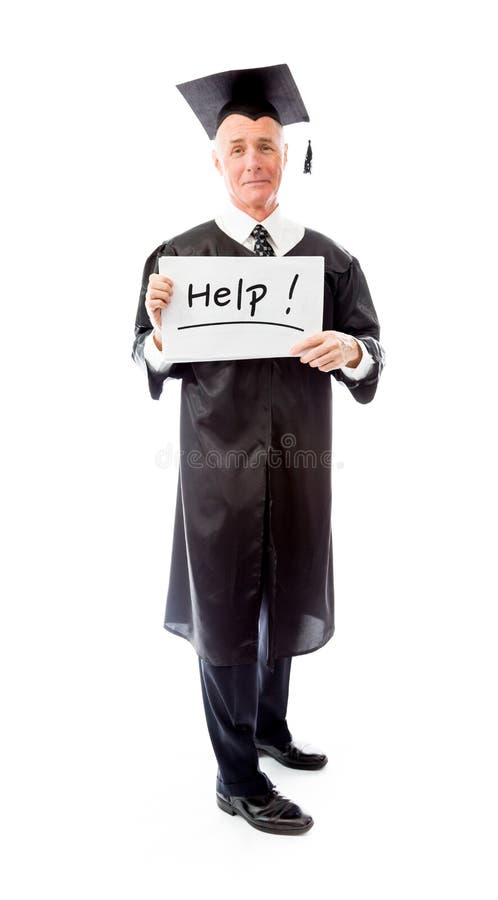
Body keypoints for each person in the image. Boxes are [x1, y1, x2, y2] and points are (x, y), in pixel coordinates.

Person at [131, 64, 385, 836]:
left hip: (301, 470)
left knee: (283, 598)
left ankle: (268, 731)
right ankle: (235, 778)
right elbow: (147, 355)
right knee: (226, 614)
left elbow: (374, 351)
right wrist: (158, 332)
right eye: (236, 146)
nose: (253, 161)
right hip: (218, 477)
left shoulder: (329, 261)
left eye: (267, 145)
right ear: (216, 159)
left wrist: (353, 351)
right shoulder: (177, 262)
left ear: (285, 155)